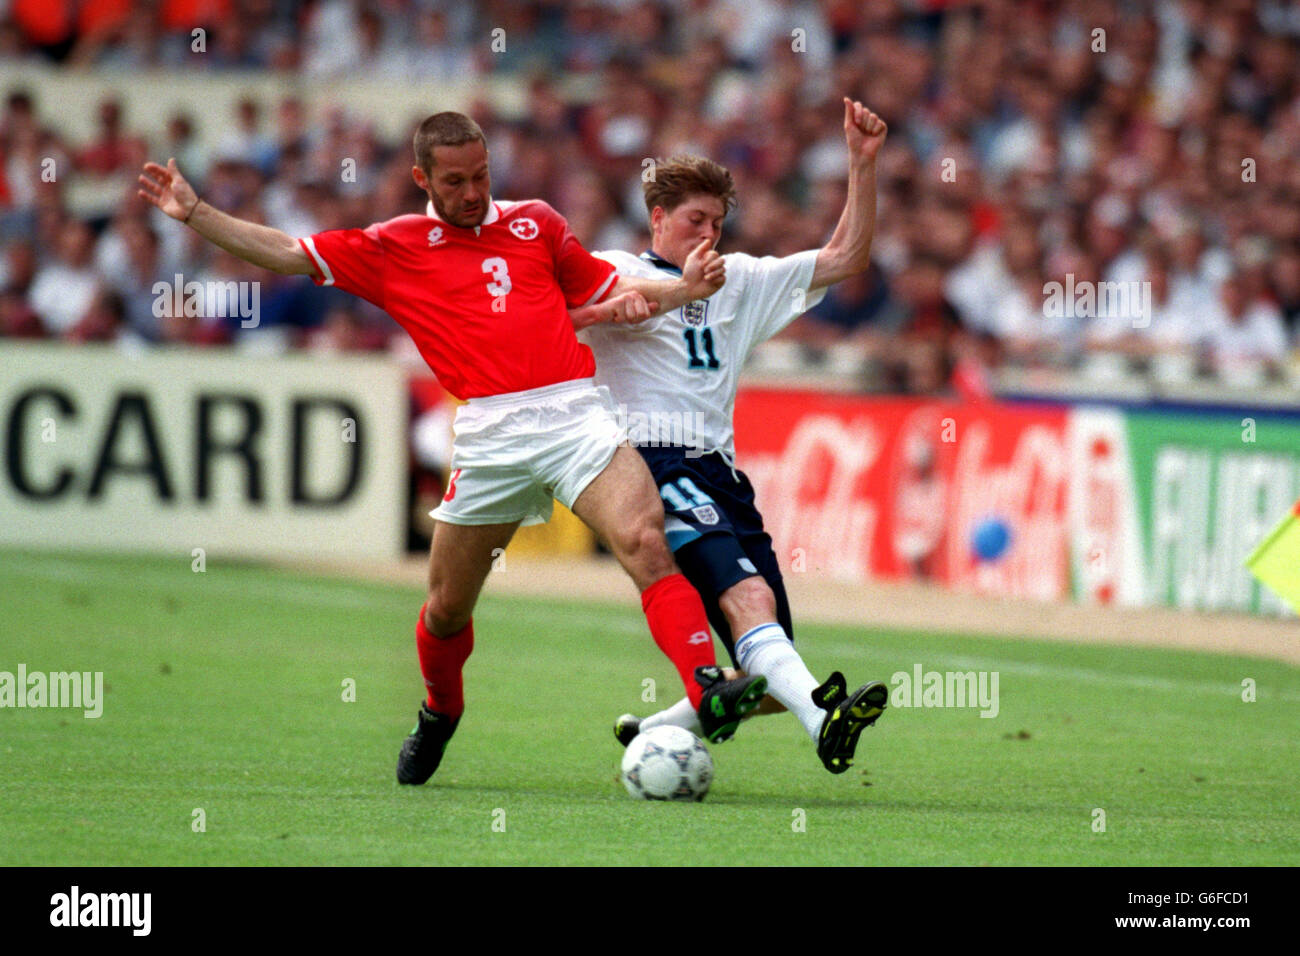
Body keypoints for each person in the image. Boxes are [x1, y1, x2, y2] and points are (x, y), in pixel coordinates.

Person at [137, 111, 768, 786]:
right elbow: (289, 251)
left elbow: (606, 290)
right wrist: (198, 212)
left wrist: (679, 291)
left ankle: (706, 683)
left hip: (575, 413)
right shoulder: (395, 245)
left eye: (482, 175)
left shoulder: (536, 222)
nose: (473, 192)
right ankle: (441, 709)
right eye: (457, 181)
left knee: (645, 540)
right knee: (445, 608)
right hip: (491, 432)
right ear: (423, 178)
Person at [571, 99, 889, 774]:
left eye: (718, 222)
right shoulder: (615, 269)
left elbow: (846, 257)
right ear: (657, 219)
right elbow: (560, 316)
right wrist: (637, 301)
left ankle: (649, 732)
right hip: (651, 464)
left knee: (772, 670)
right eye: (694, 220)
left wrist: (862, 166)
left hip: (721, 471)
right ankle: (828, 724)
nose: (708, 234)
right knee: (750, 602)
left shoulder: (741, 280)